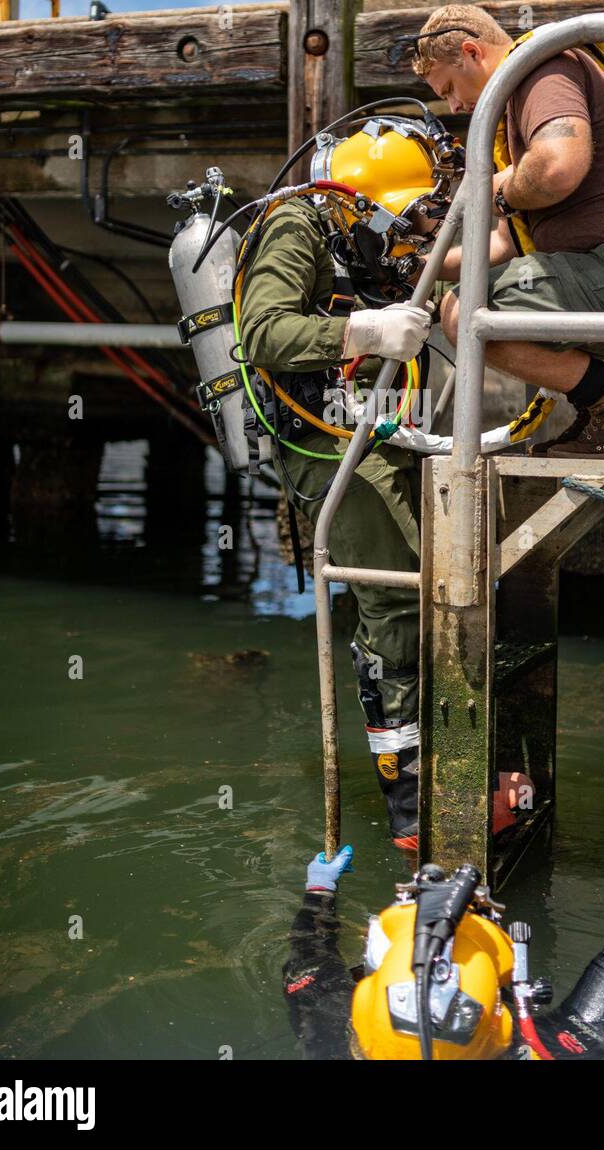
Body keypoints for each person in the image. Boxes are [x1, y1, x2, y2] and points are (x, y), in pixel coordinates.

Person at [237, 112, 452, 852]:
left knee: (432, 580)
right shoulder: (296, 226)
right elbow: (261, 333)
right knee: (393, 597)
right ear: (364, 199)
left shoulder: (362, 236)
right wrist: (364, 333)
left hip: (379, 425)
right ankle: (409, 798)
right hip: (324, 441)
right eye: (405, 217)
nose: (408, 235)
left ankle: (447, 752)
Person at [412, 4, 604, 459]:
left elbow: (556, 168)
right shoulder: (515, 110)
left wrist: (486, 190)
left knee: (466, 312)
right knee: (459, 304)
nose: (455, 106)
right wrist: (418, 270)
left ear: (472, 52)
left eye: (449, 88)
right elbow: (503, 242)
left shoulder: (544, 68)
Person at [283, 730, 604, 1060]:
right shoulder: (547, 1049)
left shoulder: (326, 1031)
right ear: (503, 1013)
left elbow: (308, 956)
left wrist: (320, 888)